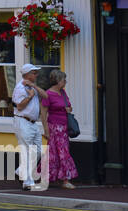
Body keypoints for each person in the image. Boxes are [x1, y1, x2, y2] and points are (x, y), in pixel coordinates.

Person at [11, 63, 47, 191]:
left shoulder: (32, 86)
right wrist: (30, 96)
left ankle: (20, 171)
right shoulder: (20, 89)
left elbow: (45, 96)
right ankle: (27, 182)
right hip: (23, 121)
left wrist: (34, 87)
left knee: (37, 151)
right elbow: (19, 106)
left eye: (36, 72)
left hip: (32, 123)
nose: (36, 75)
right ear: (27, 74)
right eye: (34, 73)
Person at [43, 69, 78, 189]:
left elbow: (68, 106)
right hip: (54, 127)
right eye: (64, 80)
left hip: (64, 127)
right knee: (61, 153)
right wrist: (46, 130)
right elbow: (43, 114)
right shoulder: (47, 94)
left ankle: (48, 177)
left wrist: (69, 109)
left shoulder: (63, 93)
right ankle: (65, 180)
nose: (65, 82)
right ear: (57, 81)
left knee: (56, 153)